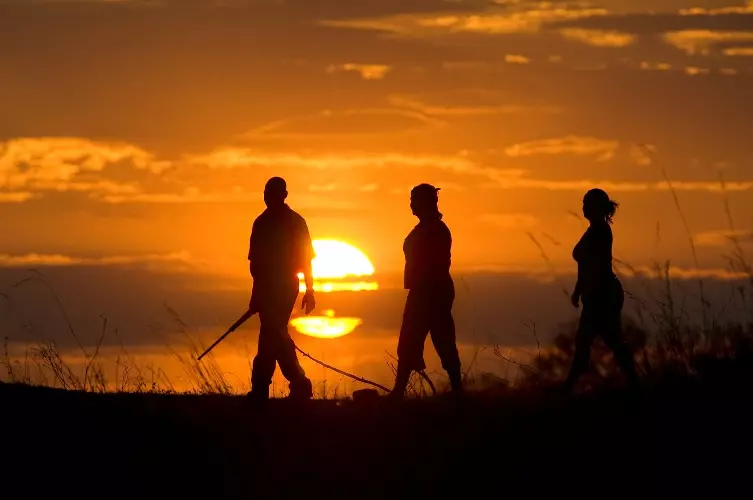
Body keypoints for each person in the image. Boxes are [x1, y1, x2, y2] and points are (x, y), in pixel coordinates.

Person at [247, 177, 317, 401]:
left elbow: (306, 260)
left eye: (273, 192)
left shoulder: (296, 222)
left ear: (284, 195)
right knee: (272, 335)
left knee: (272, 332)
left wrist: (310, 290)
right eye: (266, 192)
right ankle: (295, 384)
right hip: (266, 286)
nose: (268, 197)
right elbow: (255, 265)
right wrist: (256, 295)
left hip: (286, 285)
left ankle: (288, 384)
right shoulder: (261, 223)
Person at [562, 188, 638, 391]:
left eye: (587, 204)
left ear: (597, 207)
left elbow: (596, 264)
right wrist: (579, 290)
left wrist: (590, 294)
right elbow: (584, 265)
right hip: (595, 293)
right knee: (598, 339)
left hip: (603, 294)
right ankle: (570, 385)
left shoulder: (601, 232)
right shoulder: (593, 230)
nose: (583, 208)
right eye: (583, 203)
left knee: (598, 339)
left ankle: (569, 386)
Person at [391, 183, 463, 398]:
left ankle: (457, 390)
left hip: (432, 290)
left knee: (441, 339)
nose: (411, 205)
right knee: (410, 341)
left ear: (428, 202)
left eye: (414, 200)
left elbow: (437, 264)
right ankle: (398, 392)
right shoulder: (424, 228)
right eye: (411, 200)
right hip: (421, 290)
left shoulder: (437, 230)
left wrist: (425, 292)